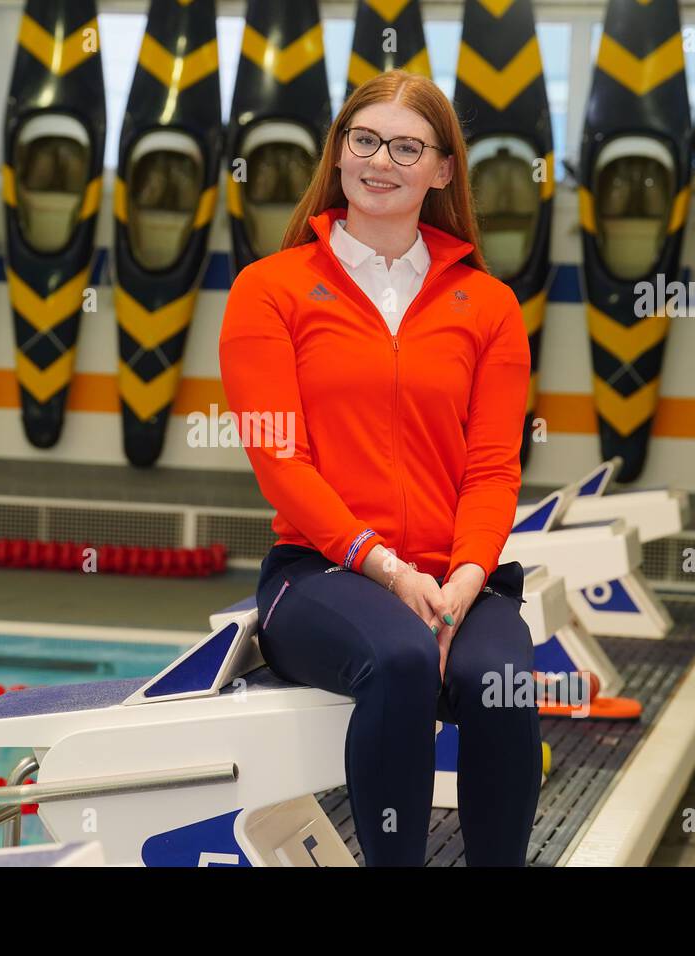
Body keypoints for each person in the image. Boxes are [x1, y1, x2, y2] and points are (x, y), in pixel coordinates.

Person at [218, 69, 540, 866]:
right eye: (364, 140)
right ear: (337, 155)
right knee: (398, 658)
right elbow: (278, 459)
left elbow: (495, 468)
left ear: (442, 170)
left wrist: (464, 582)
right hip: (322, 574)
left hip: (455, 575)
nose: (380, 161)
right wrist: (390, 574)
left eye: (407, 146)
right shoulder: (270, 291)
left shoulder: (488, 305)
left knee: (505, 682)